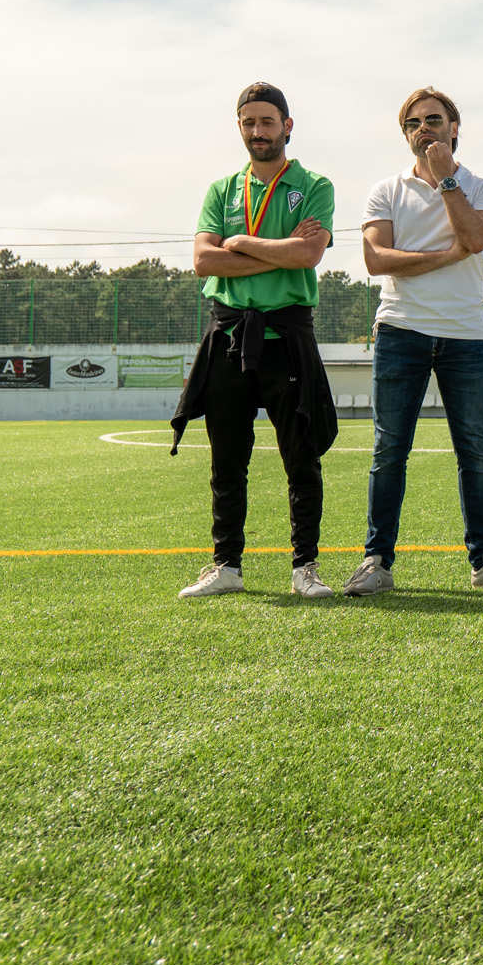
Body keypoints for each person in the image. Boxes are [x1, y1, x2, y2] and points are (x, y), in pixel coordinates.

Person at [342, 87, 483, 598]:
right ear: (406, 134)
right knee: (389, 451)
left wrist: (446, 180)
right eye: (415, 122)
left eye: (435, 120)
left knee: (475, 453)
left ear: (454, 128)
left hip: (465, 335)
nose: (425, 128)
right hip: (401, 330)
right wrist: (446, 256)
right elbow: (376, 260)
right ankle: (376, 560)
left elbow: (477, 238)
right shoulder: (385, 190)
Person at [172, 83, 340, 599]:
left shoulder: (314, 185)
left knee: (301, 455)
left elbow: (309, 255)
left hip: (286, 335)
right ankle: (226, 566)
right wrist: (279, 250)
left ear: (287, 126)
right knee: (227, 457)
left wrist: (240, 243)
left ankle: (305, 568)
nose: (257, 131)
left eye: (267, 121)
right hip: (228, 335)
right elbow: (204, 260)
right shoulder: (222, 190)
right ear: (239, 127)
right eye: (248, 122)